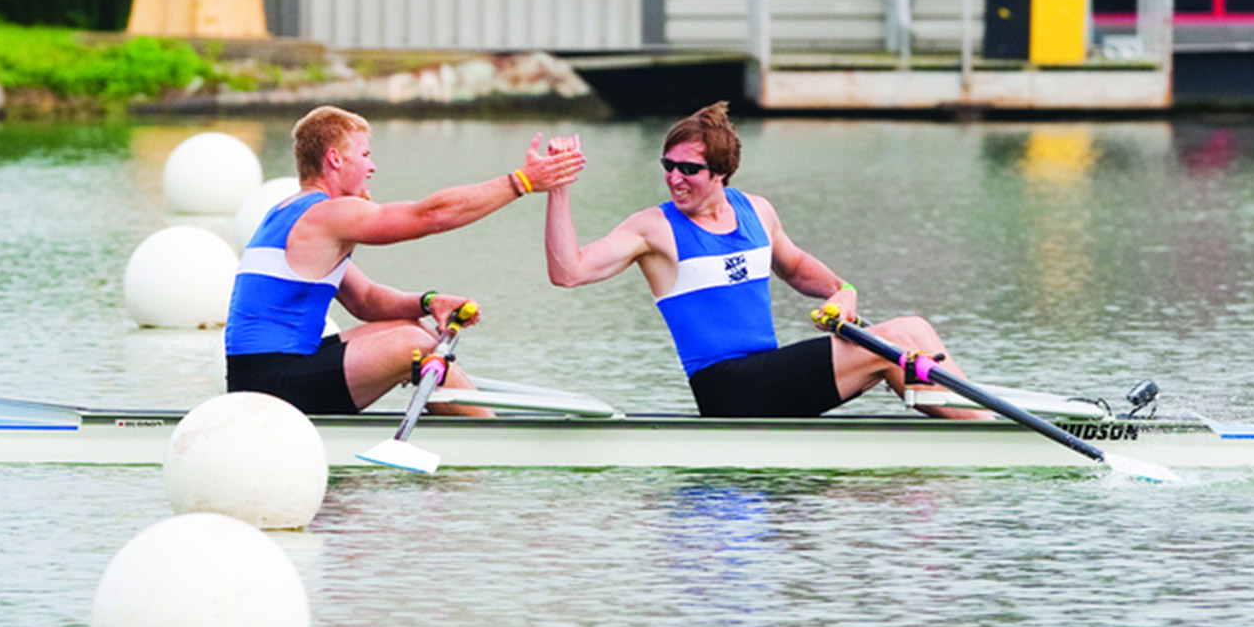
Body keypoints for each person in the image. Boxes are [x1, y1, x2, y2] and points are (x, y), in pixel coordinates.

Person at [542, 101, 990, 419]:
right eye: (668, 165)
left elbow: (795, 267)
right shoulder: (652, 229)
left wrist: (844, 292)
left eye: (689, 169)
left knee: (911, 331)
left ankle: (978, 429)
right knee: (896, 340)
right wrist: (558, 188)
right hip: (728, 390)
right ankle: (989, 437)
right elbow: (568, 272)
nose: (674, 178)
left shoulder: (756, 211)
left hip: (768, 381)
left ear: (721, 173)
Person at [225, 105, 585, 415]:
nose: (373, 166)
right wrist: (520, 182)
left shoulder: (289, 212)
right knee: (417, 347)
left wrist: (429, 302)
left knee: (411, 327)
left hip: (268, 373)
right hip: (271, 384)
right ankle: (489, 434)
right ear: (335, 158)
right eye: (365, 155)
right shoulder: (328, 214)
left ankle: (466, 422)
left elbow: (365, 300)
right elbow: (429, 216)